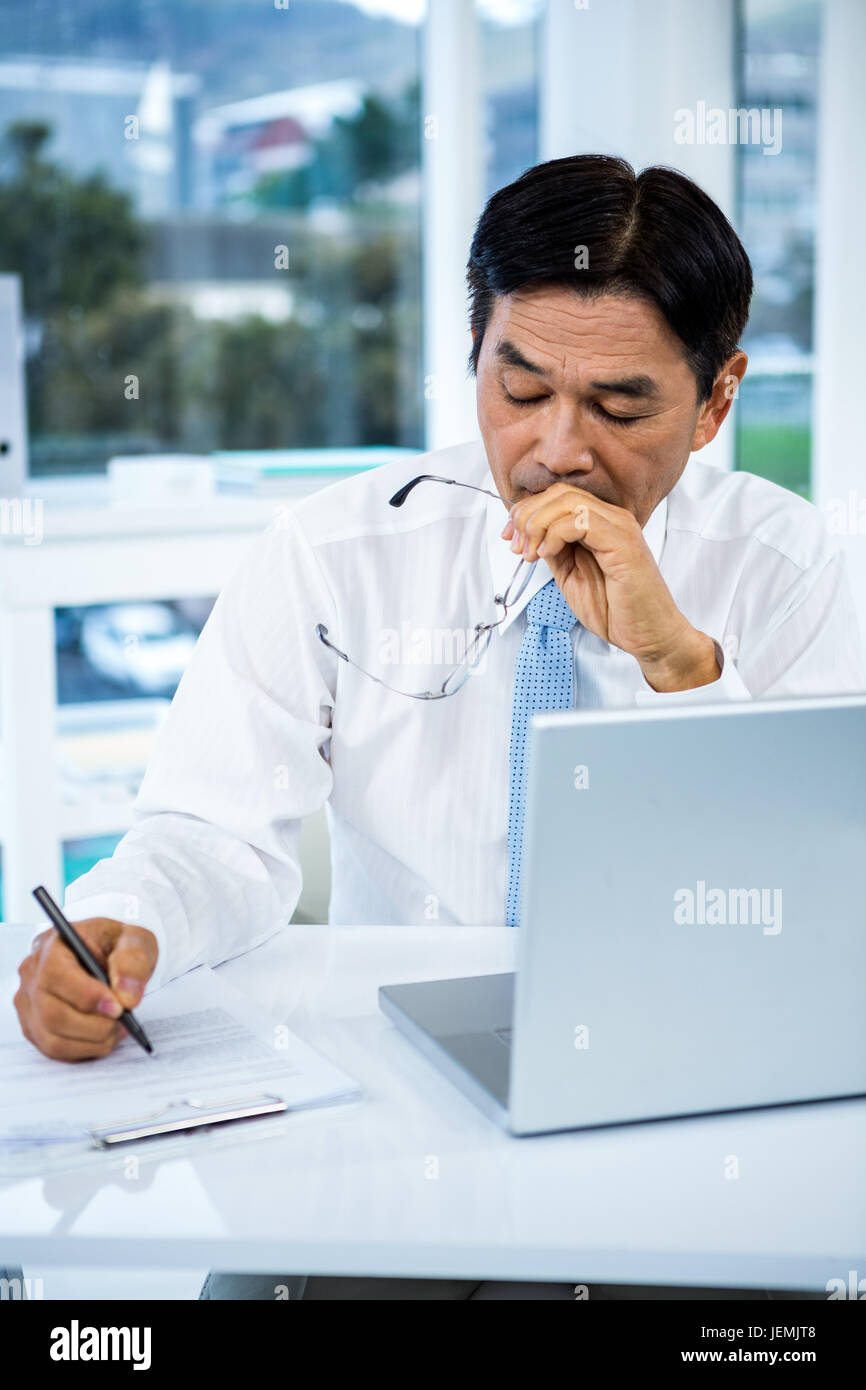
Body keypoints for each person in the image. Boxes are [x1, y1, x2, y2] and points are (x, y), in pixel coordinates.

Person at [14, 155, 862, 1300]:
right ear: (474, 355)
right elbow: (215, 834)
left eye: (618, 407)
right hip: (386, 1098)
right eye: (518, 389)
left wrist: (676, 662)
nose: (558, 449)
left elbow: (817, 917)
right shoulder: (334, 553)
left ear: (715, 401)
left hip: (686, 1105)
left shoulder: (788, 571)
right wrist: (133, 921)